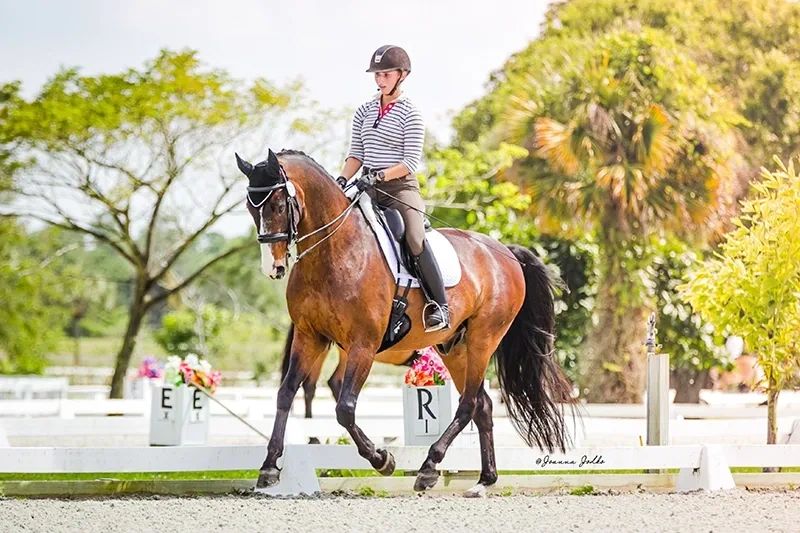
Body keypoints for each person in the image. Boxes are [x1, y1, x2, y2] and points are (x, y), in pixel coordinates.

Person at [337, 44, 450, 333]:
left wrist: (379, 176)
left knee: (414, 236)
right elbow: (356, 154)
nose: (380, 79)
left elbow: (410, 162)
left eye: (386, 74)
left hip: (400, 188)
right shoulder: (364, 111)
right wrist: (341, 180)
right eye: (377, 74)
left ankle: (440, 305)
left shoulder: (411, 113)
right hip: (366, 187)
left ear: (402, 75)